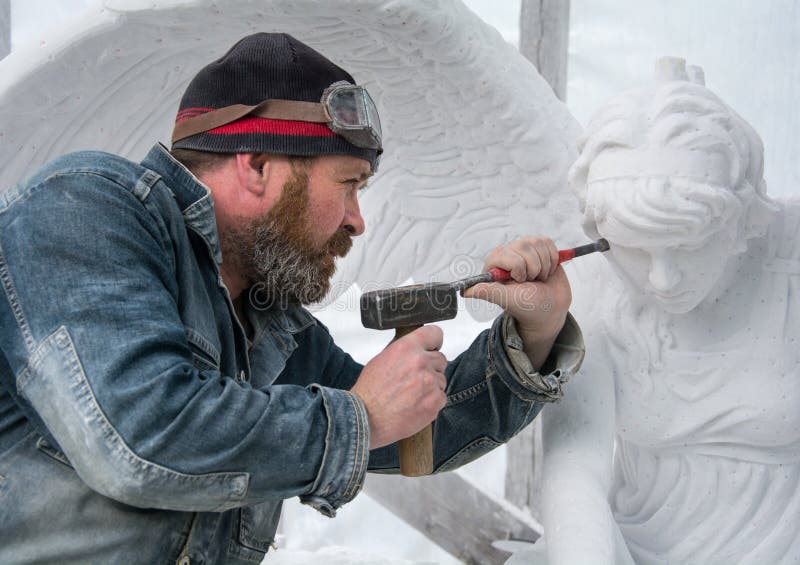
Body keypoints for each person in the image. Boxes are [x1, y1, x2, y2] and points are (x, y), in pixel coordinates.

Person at [0, 33, 583, 563]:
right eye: (349, 183)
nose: (358, 222)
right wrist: (361, 416)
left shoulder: (270, 324)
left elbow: (415, 433)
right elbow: (135, 437)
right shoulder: (83, 211)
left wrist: (534, 335)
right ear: (256, 164)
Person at [535, 63, 800, 564]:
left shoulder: (790, 262)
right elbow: (574, 464)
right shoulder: (595, 283)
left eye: (687, 246)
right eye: (634, 249)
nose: (662, 279)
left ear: (740, 221)